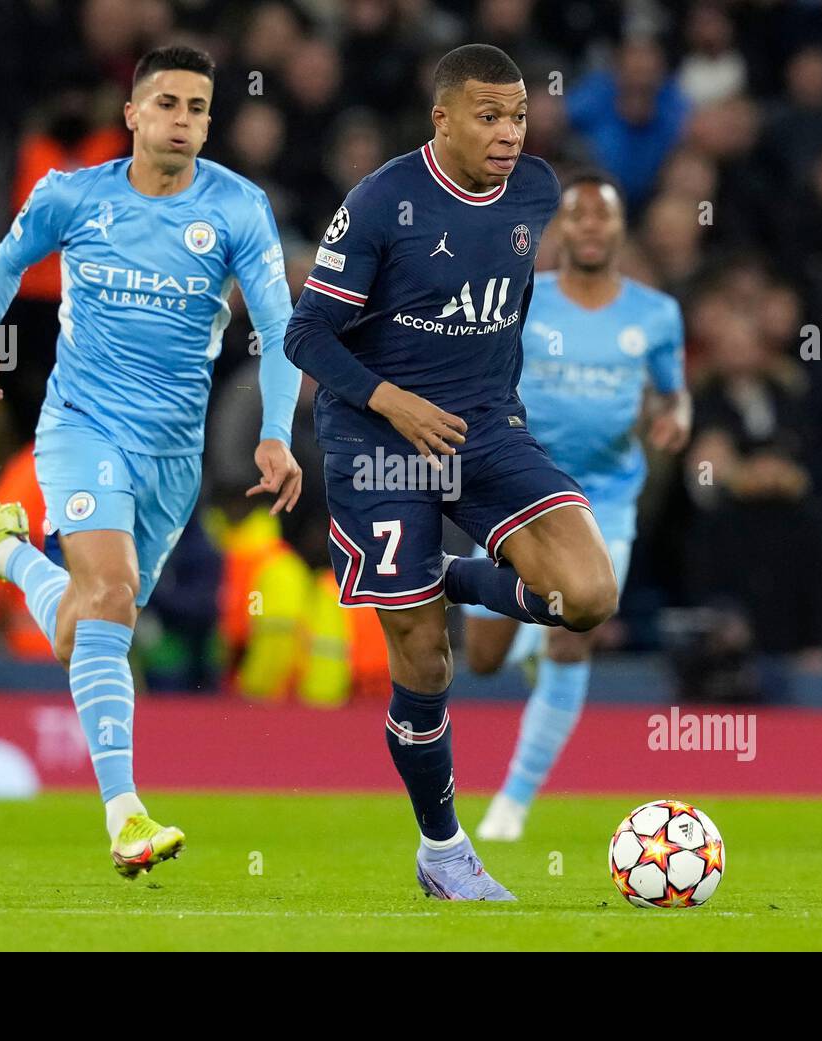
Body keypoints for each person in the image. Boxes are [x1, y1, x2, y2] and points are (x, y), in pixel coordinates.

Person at [0, 46, 303, 878]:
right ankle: (126, 815)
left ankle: (5, 551)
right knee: (109, 598)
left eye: (198, 108)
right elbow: (4, 265)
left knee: (90, 626)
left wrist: (277, 429)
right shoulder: (74, 195)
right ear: (134, 115)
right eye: (169, 104)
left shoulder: (238, 209)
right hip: (82, 427)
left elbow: (280, 327)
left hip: (173, 456)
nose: (184, 121)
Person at [283, 44, 619, 900]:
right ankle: (443, 850)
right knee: (427, 659)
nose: (509, 133)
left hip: (488, 430)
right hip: (379, 438)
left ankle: (455, 577)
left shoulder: (538, 191)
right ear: (443, 118)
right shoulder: (381, 202)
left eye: (517, 116)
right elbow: (306, 335)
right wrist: (391, 399)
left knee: (589, 596)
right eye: (488, 116)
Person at [462, 171, 689, 841]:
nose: (590, 226)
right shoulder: (523, 300)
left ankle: (513, 803)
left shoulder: (655, 313)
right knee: (481, 656)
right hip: (518, 492)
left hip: (605, 500)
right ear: (560, 230)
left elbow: (675, 393)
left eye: (603, 216)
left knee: (574, 631)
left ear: (621, 229)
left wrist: (677, 416)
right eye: (578, 216)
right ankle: (517, 617)